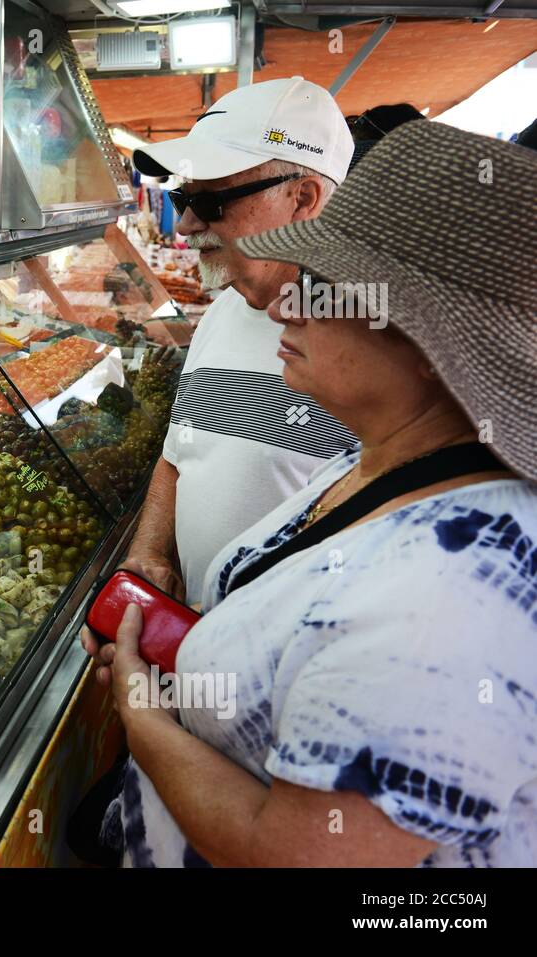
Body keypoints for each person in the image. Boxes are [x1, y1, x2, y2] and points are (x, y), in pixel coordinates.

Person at [82, 119, 537, 867]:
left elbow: (291, 851)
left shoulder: (455, 593)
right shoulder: (387, 459)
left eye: (322, 286)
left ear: (430, 344)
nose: (290, 305)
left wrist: (139, 710)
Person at [124, 76, 357, 600]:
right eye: (183, 197)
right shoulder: (224, 310)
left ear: (303, 198)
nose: (184, 224)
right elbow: (179, 453)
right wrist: (151, 554)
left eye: (210, 202)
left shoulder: (371, 348)